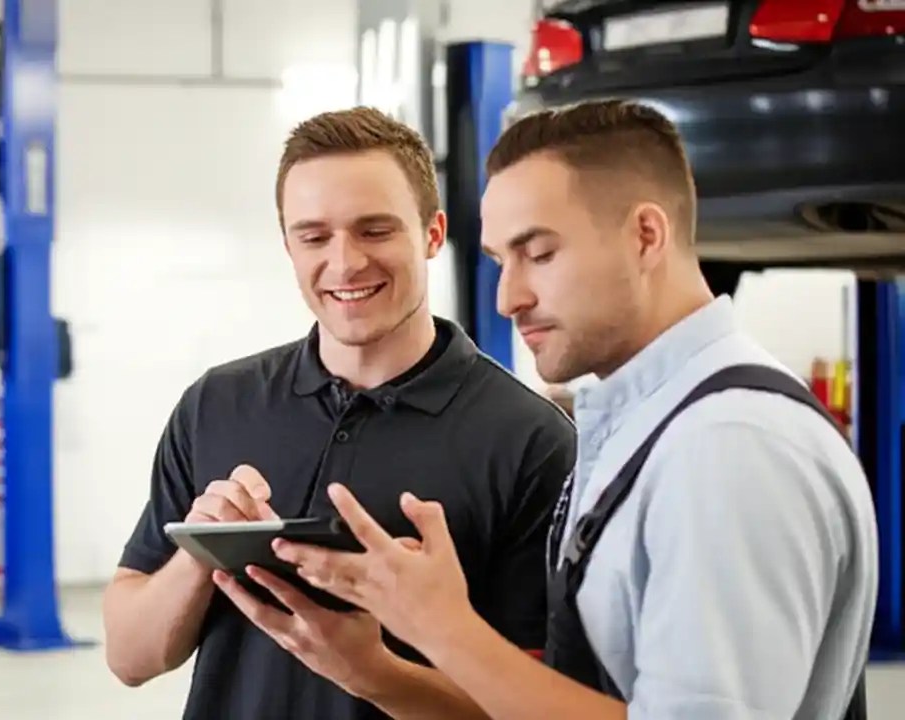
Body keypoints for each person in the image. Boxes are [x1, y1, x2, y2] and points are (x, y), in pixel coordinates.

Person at [276, 99, 879, 719]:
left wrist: (444, 629)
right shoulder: (651, 427)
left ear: (646, 236)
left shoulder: (727, 445)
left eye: (538, 254)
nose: (509, 297)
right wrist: (386, 665)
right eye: (500, 261)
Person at [102, 107, 575, 720]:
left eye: (375, 230)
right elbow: (129, 657)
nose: (346, 263)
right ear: (288, 245)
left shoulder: (529, 441)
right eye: (314, 236)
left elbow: (538, 708)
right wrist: (199, 553)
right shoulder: (216, 405)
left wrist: (374, 674)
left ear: (433, 234)